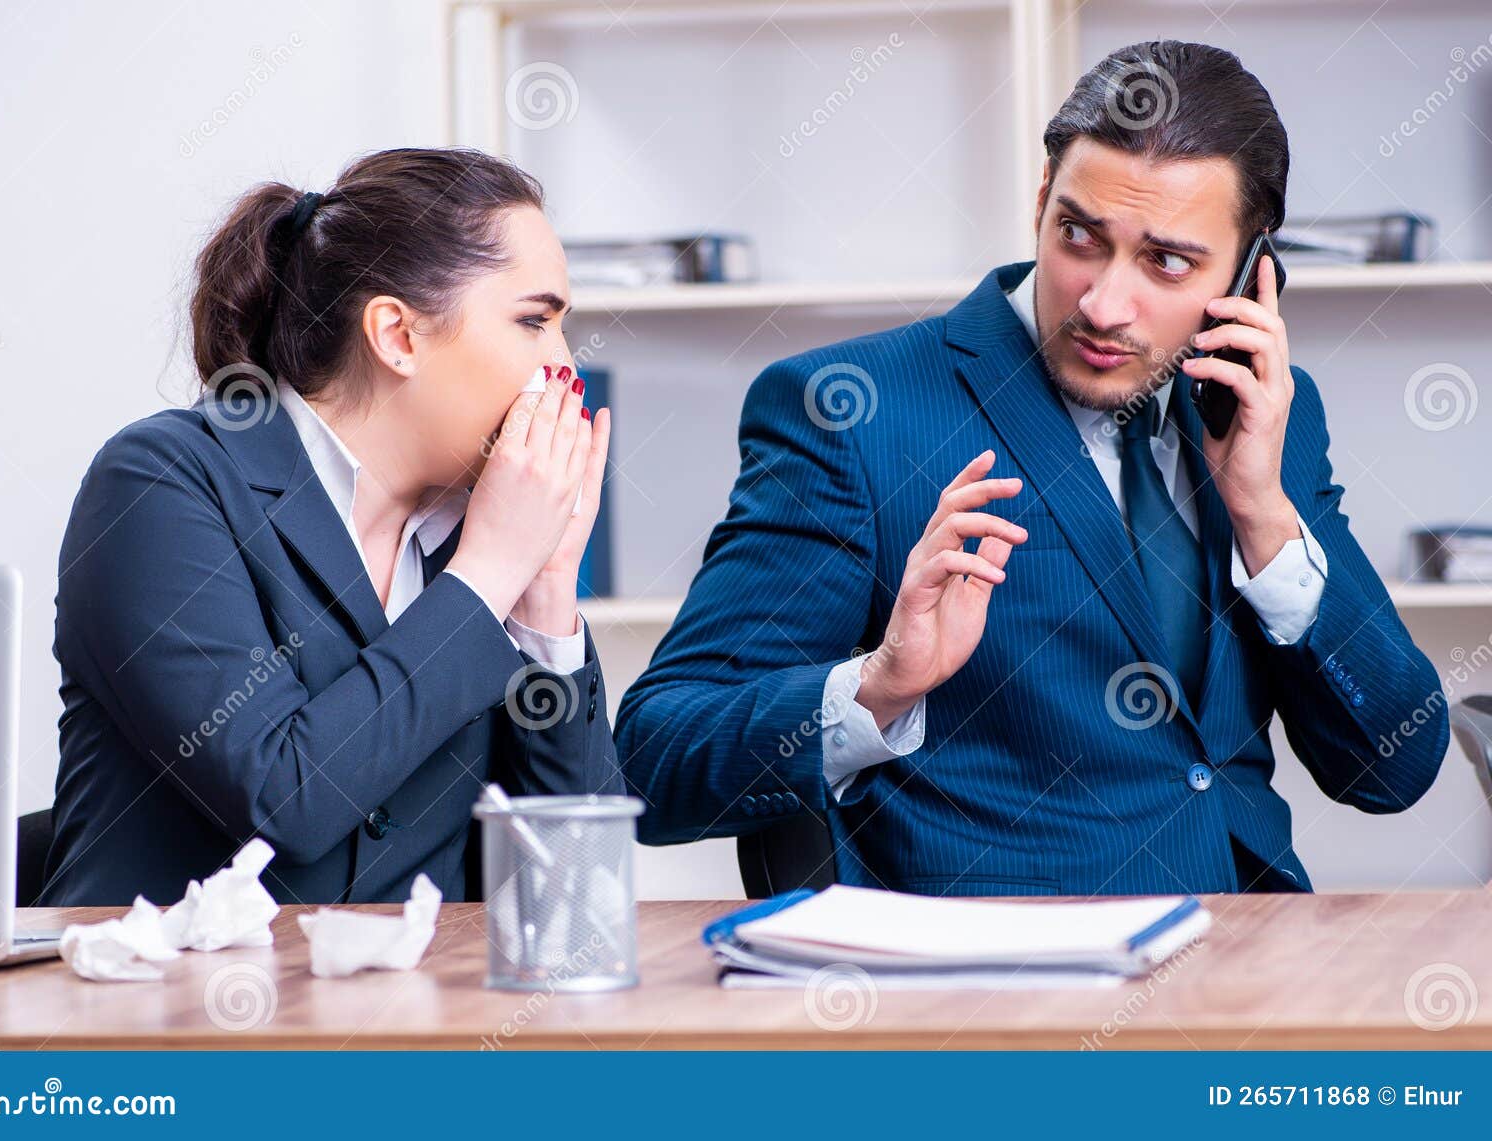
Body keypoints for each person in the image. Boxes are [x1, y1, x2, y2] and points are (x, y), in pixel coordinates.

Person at [616, 41, 1448, 896]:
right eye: (1080, 236)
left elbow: (1392, 769)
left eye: (1167, 261)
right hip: (1000, 995)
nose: (1102, 305)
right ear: (1043, 199)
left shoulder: (1273, 415)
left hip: (1244, 964)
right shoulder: (854, 413)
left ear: (1250, 274)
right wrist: (876, 687)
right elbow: (653, 760)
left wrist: (1264, 514)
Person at [43, 148, 617, 906]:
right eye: (533, 323)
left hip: (412, 1018)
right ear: (397, 335)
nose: (562, 366)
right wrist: (490, 575)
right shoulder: (162, 482)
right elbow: (287, 797)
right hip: (170, 1012)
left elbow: (577, 896)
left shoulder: (478, 535)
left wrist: (544, 595)